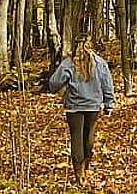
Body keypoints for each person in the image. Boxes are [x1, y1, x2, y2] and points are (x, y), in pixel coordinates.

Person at [48, 35, 115, 186]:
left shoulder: (69, 63)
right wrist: (109, 104)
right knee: (88, 137)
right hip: (93, 106)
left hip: (74, 107)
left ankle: (79, 173)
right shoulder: (100, 63)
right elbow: (107, 84)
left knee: (76, 138)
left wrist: (59, 87)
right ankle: (86, 165)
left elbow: (53, 83)